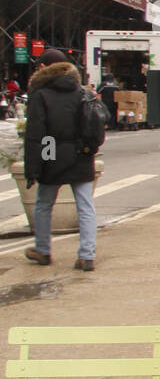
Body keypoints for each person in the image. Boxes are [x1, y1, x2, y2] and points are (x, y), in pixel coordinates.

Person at [23, 50, 98, 271]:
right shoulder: (82, 92)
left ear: (45, 68)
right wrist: (88, 150)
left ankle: (43, 250)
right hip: (81, 152)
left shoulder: (41, 95)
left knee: (44, 204)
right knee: (85, 206)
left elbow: (36, 134)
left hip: (51, 149)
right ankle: (87, 255)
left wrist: (35, 167)